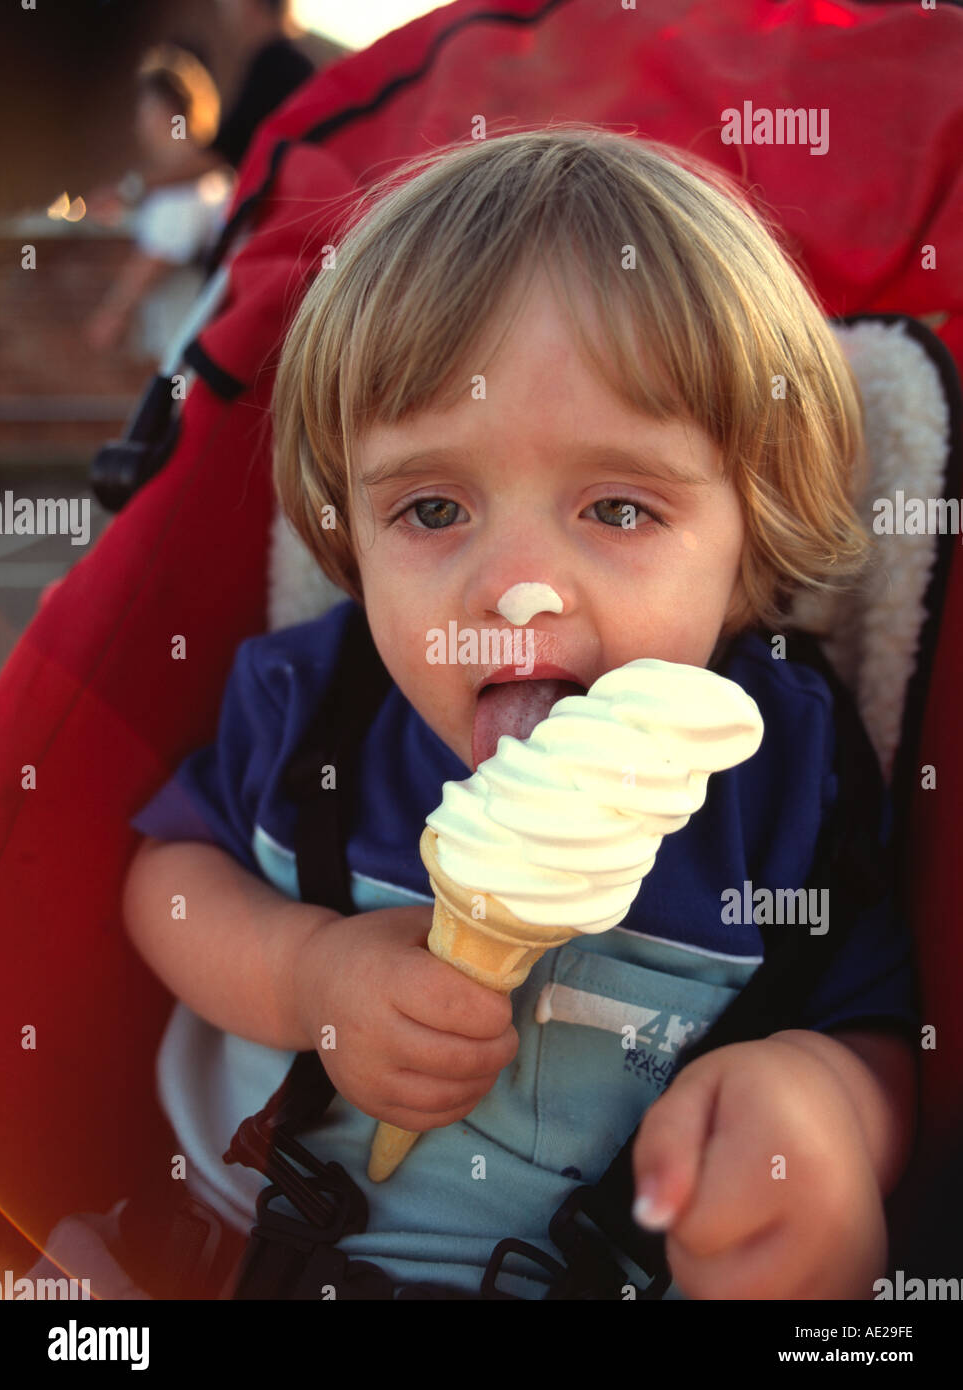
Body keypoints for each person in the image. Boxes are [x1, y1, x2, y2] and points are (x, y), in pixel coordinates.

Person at [120, 127, 919, 1300]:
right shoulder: (316, 706)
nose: (516, 584)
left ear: (750, 538)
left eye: (618, 506)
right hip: (248, 1252)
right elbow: (167, 883)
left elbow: (882, 1030)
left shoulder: (784, 768)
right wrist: (306, 974)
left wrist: (819, 1109)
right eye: (434, 506)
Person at [86, 0, 318, 224]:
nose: (224, 8)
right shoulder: (279, 62)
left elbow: (222, 152)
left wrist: (131, 188)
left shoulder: (277, 63)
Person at [85, 46, 232, 358]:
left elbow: (160, 252)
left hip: (187, 356)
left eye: (143, 111)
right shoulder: (196, 183)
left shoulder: (190, 186)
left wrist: (111, 314)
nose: (138, 124)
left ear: (164, 110)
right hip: (183, 351)